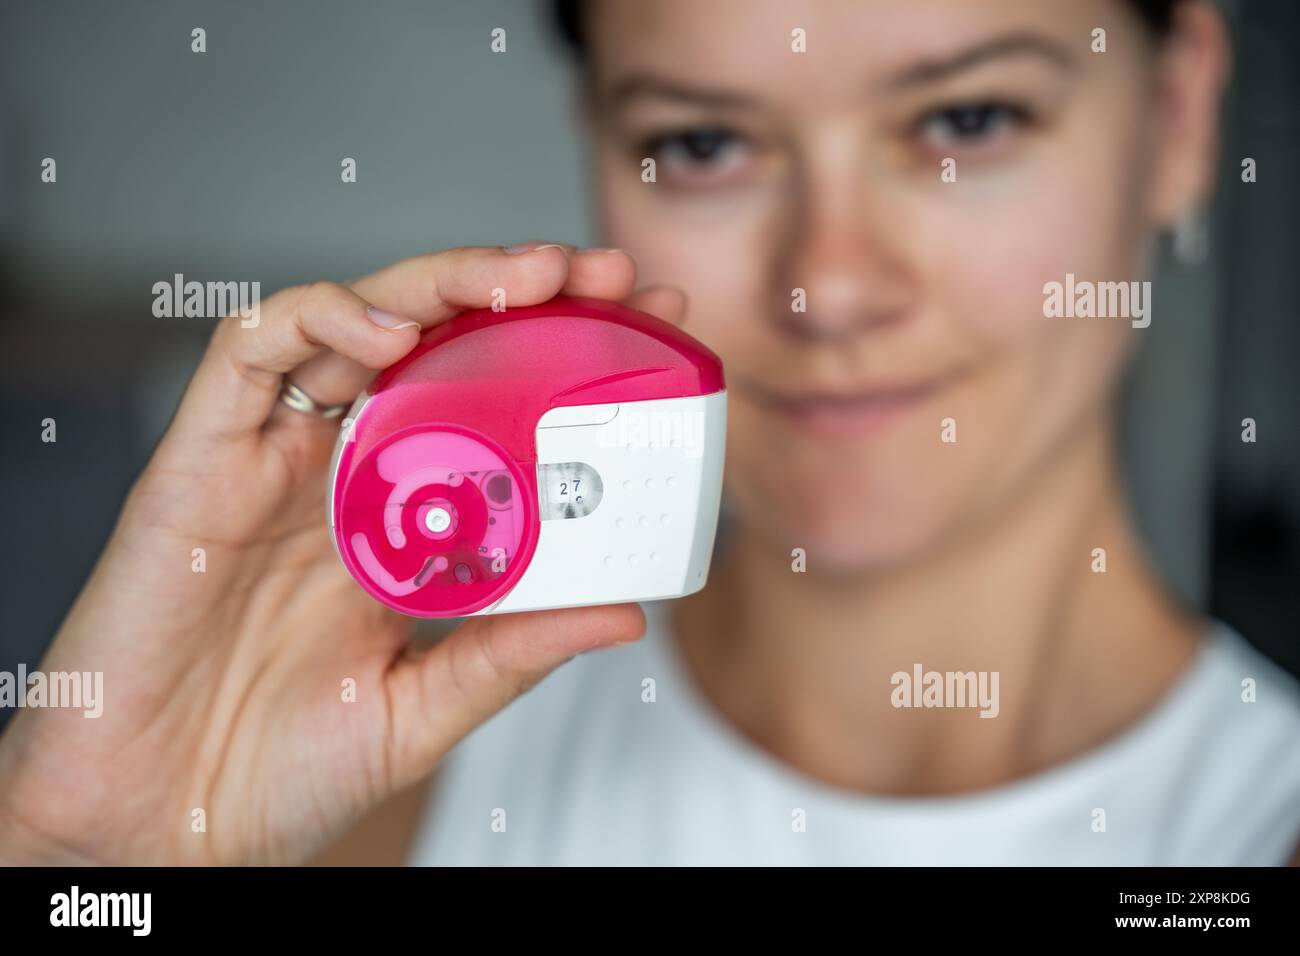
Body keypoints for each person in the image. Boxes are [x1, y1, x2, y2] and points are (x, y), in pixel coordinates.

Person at [2, 0, 1298, 866]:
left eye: (966, 121)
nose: (827, 284)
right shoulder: (357, 788)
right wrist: (80, 866)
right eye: (705, 141)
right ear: (601, 149)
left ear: (1179, 116)